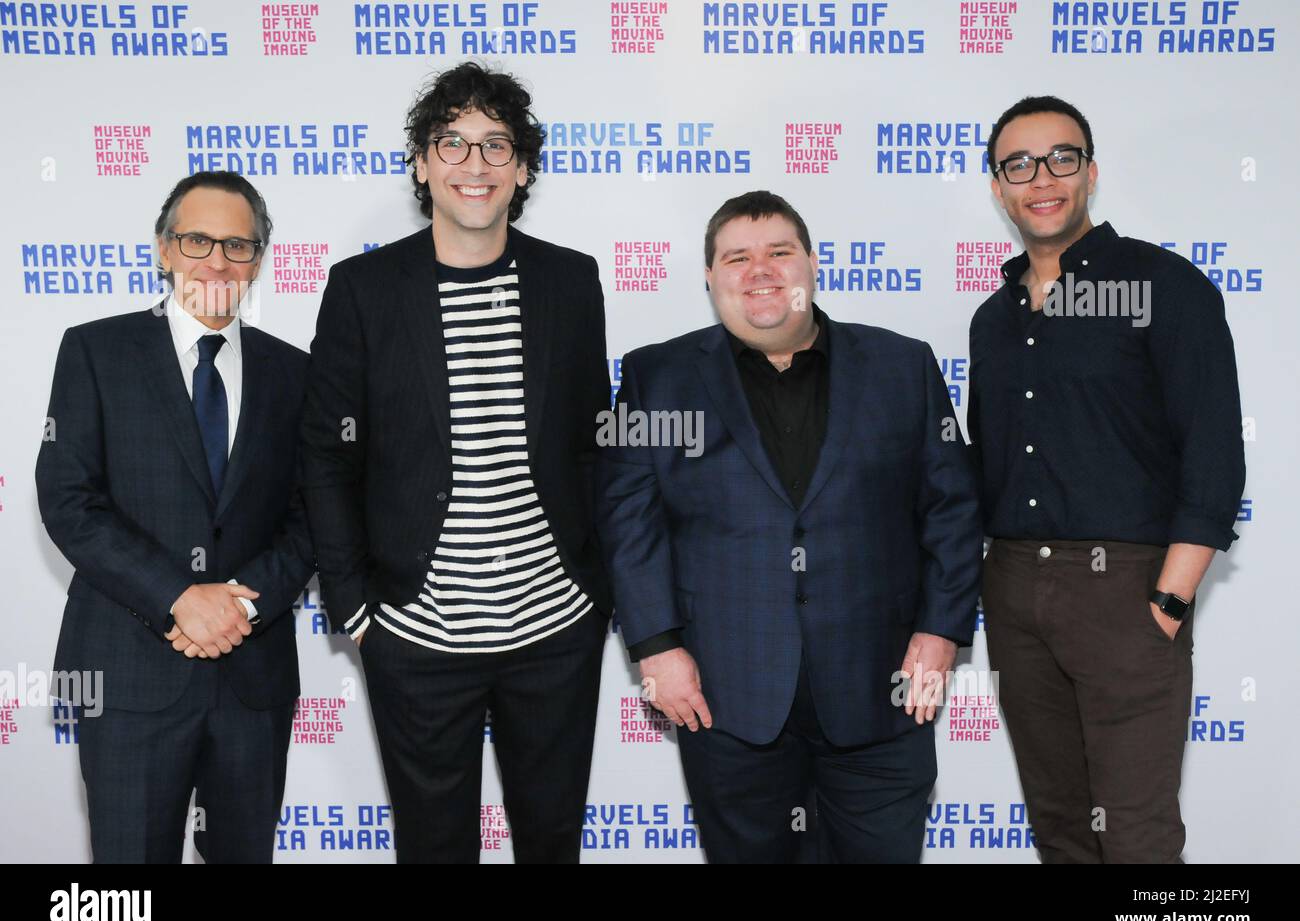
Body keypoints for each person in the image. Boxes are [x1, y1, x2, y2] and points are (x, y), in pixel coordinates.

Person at [595, 190, 982, 863]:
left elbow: (952, 509)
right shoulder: (656, 377)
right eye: (736, 257)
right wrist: (656, 646)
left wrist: (943, 627)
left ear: (812, 264)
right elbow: (631, 522)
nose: (760, 269)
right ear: (710, 278)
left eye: (779, 252)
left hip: (883, 692)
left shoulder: (902, 366)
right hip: (724, 698)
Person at [299, 61, 612, 863]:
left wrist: (596, 591)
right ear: (421, 163)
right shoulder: (362, 289)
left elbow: (593, 442)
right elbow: (326, 456)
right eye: (453, 143)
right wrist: (358, 611)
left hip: (556, 629)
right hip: (416, 633)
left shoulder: (571, 282)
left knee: (551, 842)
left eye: (495, 145)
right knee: (435, 848)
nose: (474, 165)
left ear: (524, 168)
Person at [968, 95, 1246, 863]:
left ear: (1090, 172)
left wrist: (1168, 599)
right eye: (1017, 164)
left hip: (1128, 590)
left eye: (1061, 158)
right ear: (999, 187)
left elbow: (1215, 453)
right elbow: (977, 465)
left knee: (1136, 835)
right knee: (1060, 828)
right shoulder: (992, 318)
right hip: (1015, 589)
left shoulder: (1164, 284)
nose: (1041, 178)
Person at [35, 171, 315, 863]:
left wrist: (238, 610)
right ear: (163, 249)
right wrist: (180, 598)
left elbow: (314, 519)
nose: (217, 260)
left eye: (238, 244)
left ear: (260, 257)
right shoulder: (96, 351)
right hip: (129, 677)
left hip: (253, 683)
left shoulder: (299, 373)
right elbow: (69, 498)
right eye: (197, 240)